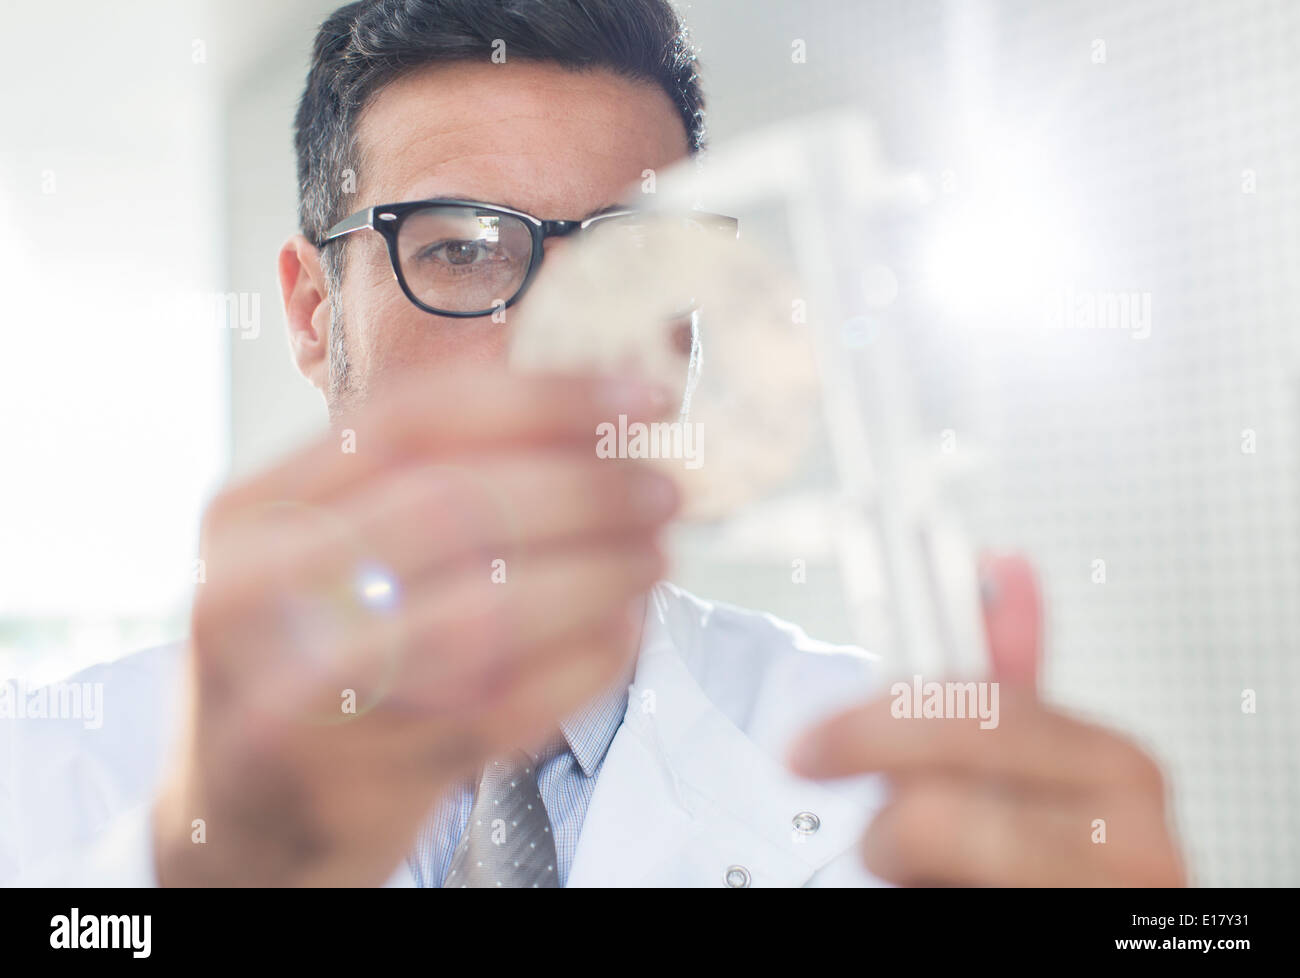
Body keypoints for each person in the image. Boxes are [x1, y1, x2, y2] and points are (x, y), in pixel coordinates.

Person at [1, 0, 1184, 888]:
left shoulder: (892, 773)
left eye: (636, 260)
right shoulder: (57, 788)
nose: (559, 352)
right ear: (315, 315)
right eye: (462, 248)